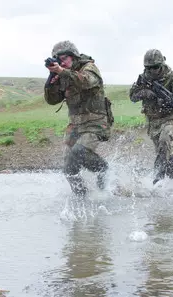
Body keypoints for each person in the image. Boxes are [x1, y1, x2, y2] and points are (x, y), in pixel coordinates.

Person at [44, 40, 113, 197]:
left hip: (95, 122)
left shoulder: (89, 67)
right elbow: (52, 100)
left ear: (73, 56)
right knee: (68, 168)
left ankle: (103, 169)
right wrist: (51, 81)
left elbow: (86, 81)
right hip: (75, 125)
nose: (61, 62)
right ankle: (82, 198)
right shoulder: (62, 74)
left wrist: (62, 72)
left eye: (64, 58)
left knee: (79, 152)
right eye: (58, 60)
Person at [129, 49, 173, 185]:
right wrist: (145, 93)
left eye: (155, 67)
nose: (152, 71)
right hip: (153, 121)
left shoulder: (171, 78)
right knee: (164, 151)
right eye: (149, 68)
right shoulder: (142, 78)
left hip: (170, 118)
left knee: (165, 140)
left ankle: (157, 178)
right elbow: (132, 96)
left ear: (161, 65)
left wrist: (168, 100)